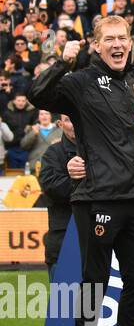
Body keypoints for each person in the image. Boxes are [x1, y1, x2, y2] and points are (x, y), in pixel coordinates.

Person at [29, 17, 134, 326]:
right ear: (96, 45)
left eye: (123, 39)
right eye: (110, 40)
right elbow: (37, 95)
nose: (118, 45)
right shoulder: (80, 81)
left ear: (131, 42)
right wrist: (62, 60)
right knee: (94, 281)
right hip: (97, 198)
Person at [35, 113, 77, 271]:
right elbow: (51, 188)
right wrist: (83, 183)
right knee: (64, 295)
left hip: (97, 238)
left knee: (93, 294)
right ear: (60, 124)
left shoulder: (100, 150)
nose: (73, 124)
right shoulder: (53, 153)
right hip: (63, 236)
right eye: (68, 120)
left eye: (76, 118)